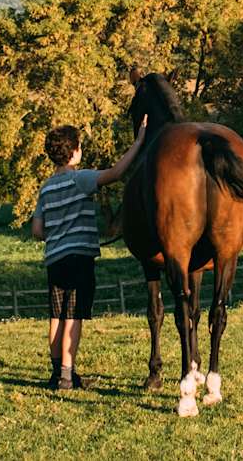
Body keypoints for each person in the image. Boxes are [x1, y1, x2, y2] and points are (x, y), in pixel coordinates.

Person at [31, 116, 147, 390]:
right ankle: (67, 377)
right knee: (74, 315)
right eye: (80, 146)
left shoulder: (46, 188)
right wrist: (139, 141)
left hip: (55, 259)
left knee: (56, 316)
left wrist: (57, 234)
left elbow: (36, 230)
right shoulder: (80, 179)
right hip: (79, 259)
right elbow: (115, 173)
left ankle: (56, 373)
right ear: (73, 152)